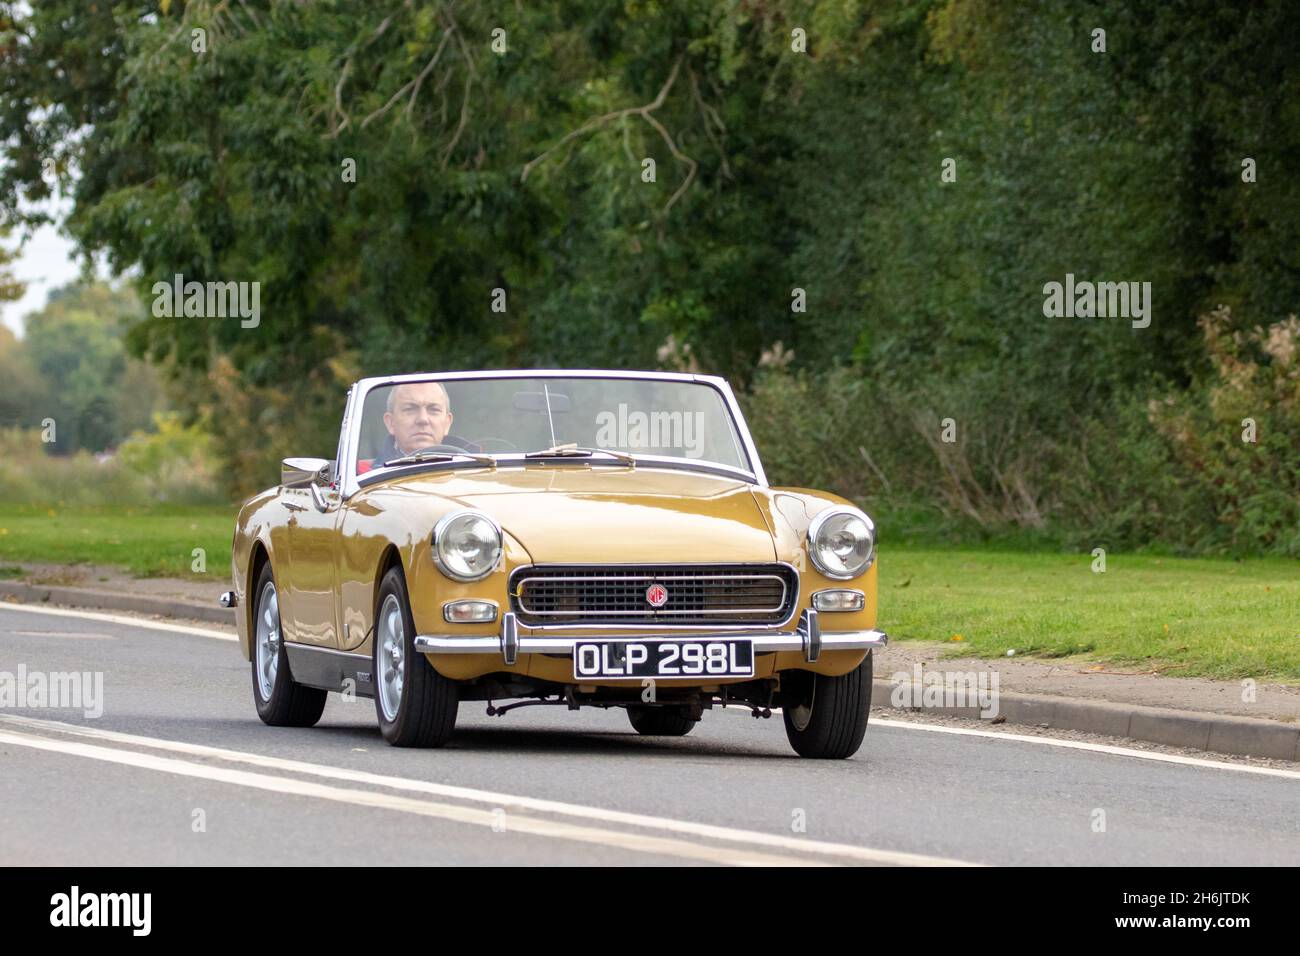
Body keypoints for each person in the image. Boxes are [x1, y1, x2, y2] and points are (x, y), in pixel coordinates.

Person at [358, 381, 475, 474]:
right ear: (391, 423)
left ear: (447, 423)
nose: (423, 419)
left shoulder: (479, 468)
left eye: (433, 410)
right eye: (410, 409)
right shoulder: (363, 476)